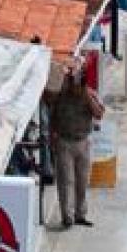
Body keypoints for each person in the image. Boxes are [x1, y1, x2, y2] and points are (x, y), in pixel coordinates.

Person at [49, 60, 105, 229]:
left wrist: (86, 96)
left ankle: (81, 214)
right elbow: (49, 105)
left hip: (83, 142)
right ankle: (67, 216)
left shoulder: (89, 94)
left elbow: (99, 114)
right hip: (65, 141)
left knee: (82, 180)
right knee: (66, 181)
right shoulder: (61, 95)